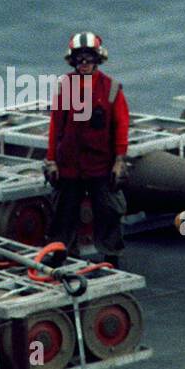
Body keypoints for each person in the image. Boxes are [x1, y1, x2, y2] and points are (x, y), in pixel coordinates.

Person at [43, 32, 130, 267]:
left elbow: (121, 125)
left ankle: (112, 255)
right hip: (69, 166)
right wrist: (51, 160)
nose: (84, 64)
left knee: (109, 211)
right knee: (63, 212)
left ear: (98, 59)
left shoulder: (111, 89)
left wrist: (119, 160)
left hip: (101, 165)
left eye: (88, 59)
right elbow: (55, 125)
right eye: (79, 60)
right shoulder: (65, 87)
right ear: (73, 61)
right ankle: (62, 253)